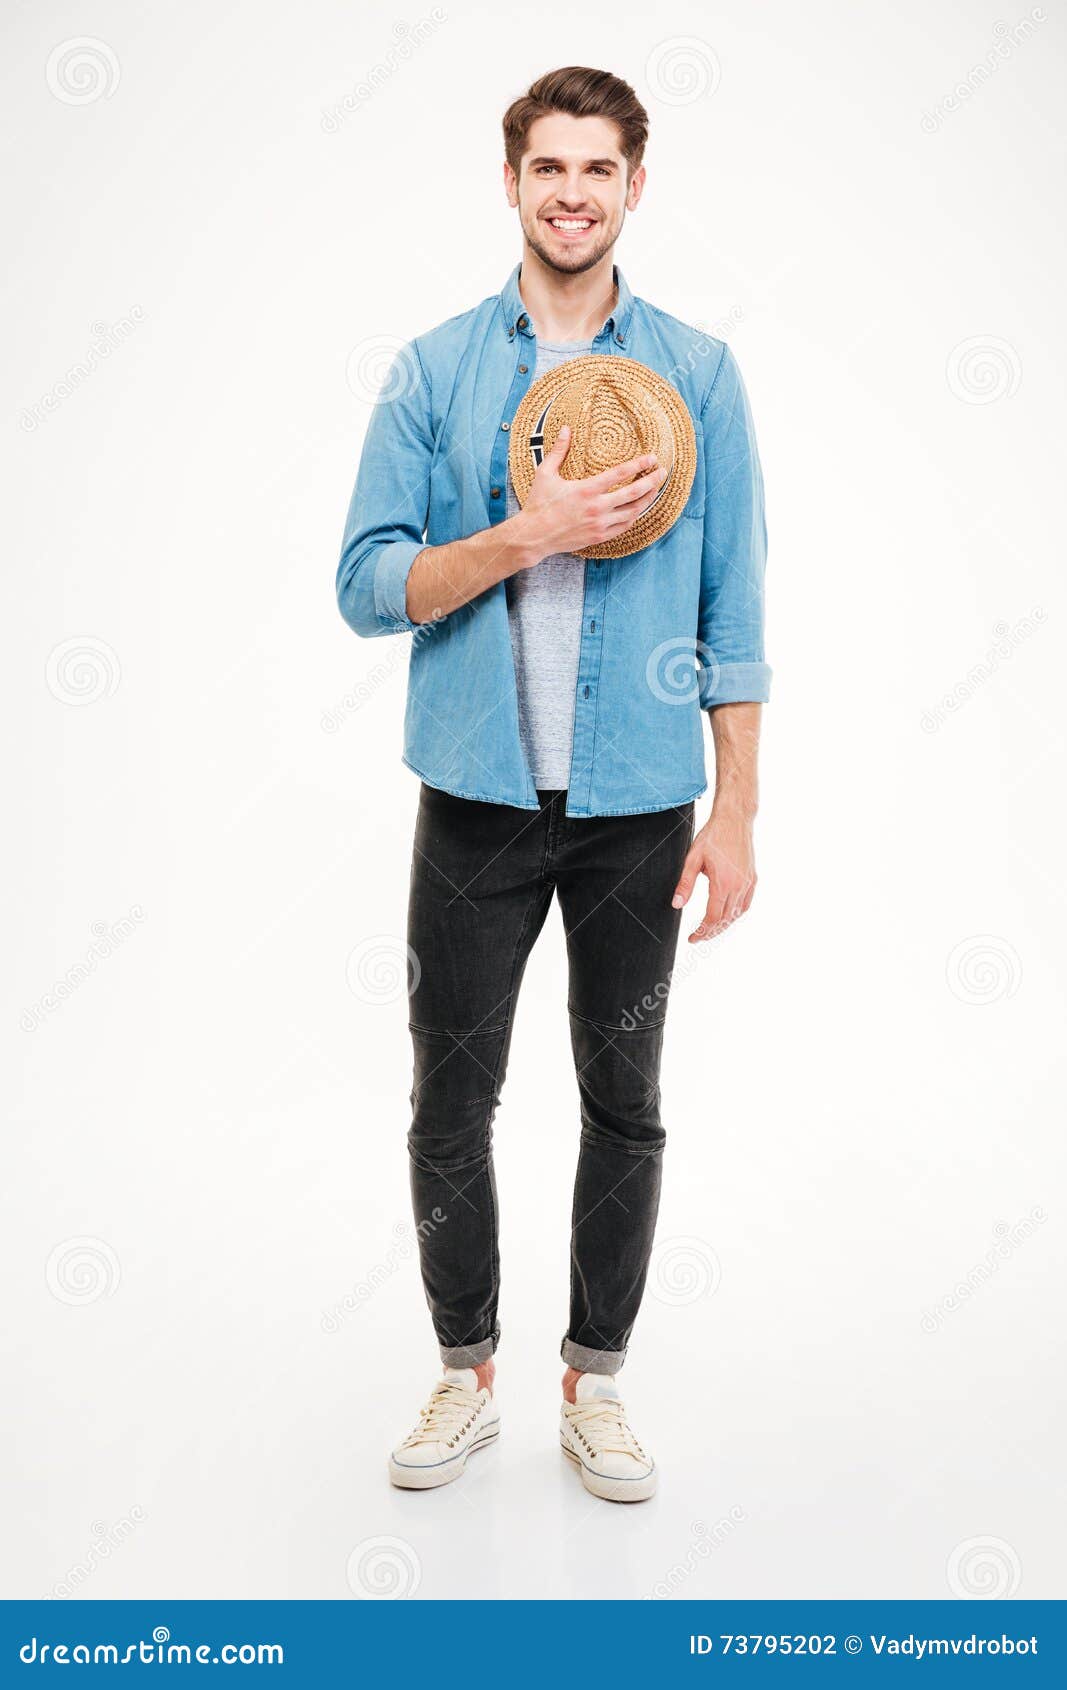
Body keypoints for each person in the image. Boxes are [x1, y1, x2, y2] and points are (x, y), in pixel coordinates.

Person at [336, 65, 770, 1502]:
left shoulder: (698, 374)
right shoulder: (434, 369)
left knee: (624, 1096)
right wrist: (527, 533)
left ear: (634, 186)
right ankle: (466, 1372)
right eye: (547, 167)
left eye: (598, 168)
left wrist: (738, 810)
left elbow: (734, 608)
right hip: (472, 796)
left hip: (640, 808)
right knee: (448, 1102)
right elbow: (365, 584)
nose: (572, 191)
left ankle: (597, 1381)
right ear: (510, 183)